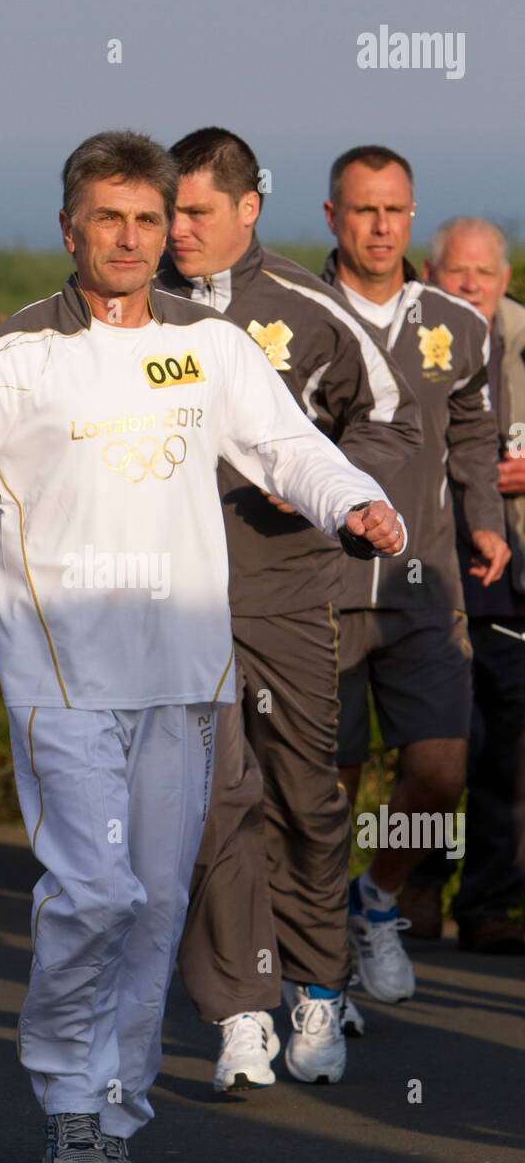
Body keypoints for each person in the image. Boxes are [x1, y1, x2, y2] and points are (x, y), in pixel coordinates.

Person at [0, 130, 406, 1163]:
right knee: (95, 895)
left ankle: (114, 1103)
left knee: (156, 902)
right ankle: (69, 1093)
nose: (128, 237)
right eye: (107, 219)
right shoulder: (24, 354)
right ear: (71, 228)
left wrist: (355, 498)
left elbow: (284, 444)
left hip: (185, 673)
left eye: (147, 220)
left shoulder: (205, 345)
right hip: (65, 677)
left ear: (168, 231)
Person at [156, 127, 421, 1088]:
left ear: (247, 209)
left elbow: (390, 417)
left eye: (194, 212)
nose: (175, 231)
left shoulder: (310, 309)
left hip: (285, 590)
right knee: (211, 804)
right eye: (166, 212)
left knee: (304, 799)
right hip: (175, 596)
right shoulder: (139, 311)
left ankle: (317, 982)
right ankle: (237, 1011)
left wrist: (336, 482)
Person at [321, 146, 509, 1012]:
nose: (379, 225)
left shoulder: (455, 323)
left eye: (393, 209)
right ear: (332, 216)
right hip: (318, 588)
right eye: (363, 209)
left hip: (424, 584)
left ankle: (378, 899)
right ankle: (313, 952)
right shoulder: (291, 314)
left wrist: (480, 516)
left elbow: (474, 431)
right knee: (330, 780)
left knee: (439, 770)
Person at [411, 219, 525, 953]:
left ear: (504, 280)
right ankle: (409, 886)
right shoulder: (405, 340)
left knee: (507, 751)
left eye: (484, 273)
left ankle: (488, 904)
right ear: (431, 273)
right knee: (431, 749)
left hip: (510, 579)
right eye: (457, 271)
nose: (471, 285)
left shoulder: (521, 340)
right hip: (426, 575)